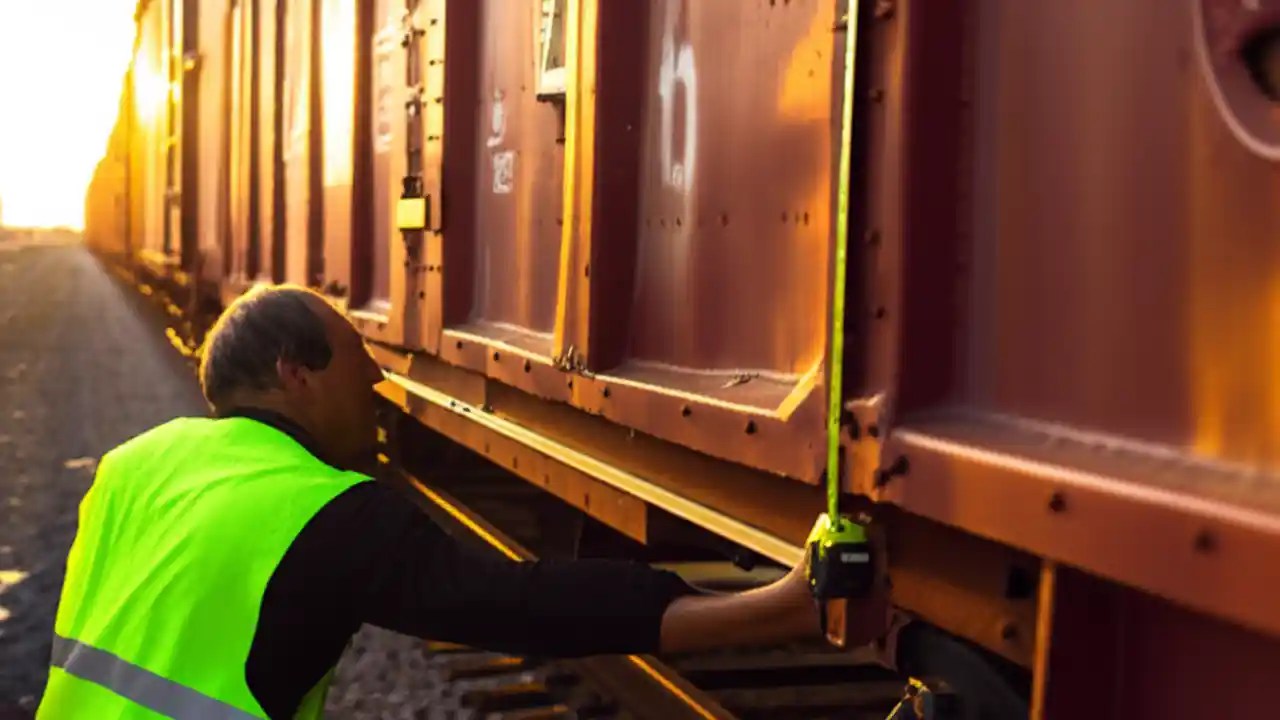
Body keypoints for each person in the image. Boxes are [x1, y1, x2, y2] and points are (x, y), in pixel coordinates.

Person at [37, 284, 879, 720]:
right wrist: (777, 608)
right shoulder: (325, 510)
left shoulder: (130, 466)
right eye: (359, 369)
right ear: (295, 375)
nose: (377, 392)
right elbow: (523, 606)